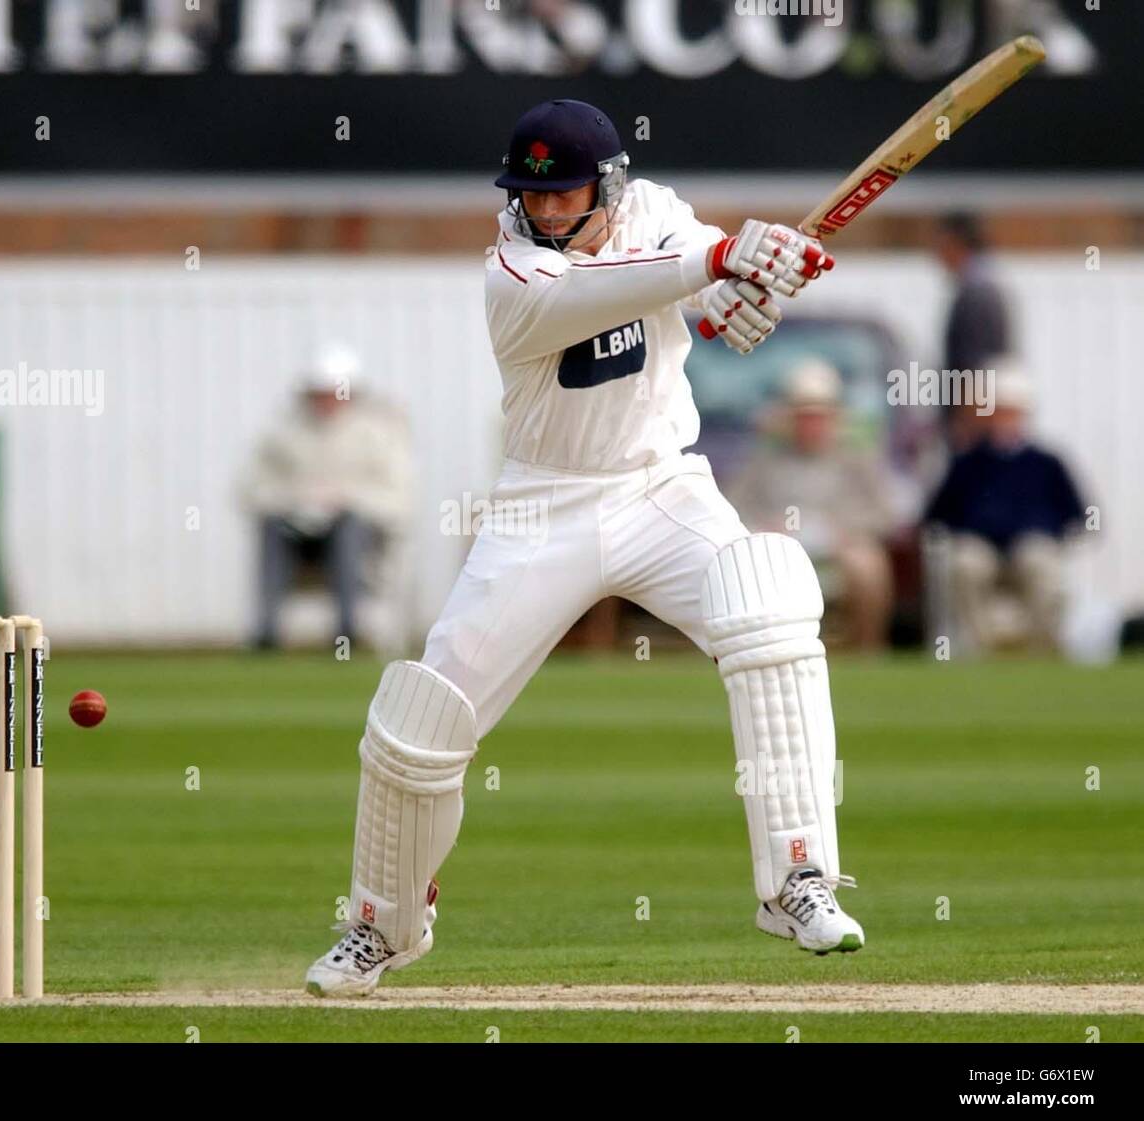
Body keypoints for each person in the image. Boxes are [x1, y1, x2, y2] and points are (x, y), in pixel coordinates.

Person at [306, 99, 861, 998]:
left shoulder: (660, 214)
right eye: (534, 197)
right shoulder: (511, 272)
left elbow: (699, 295)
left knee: (768, 593)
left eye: (565, 196)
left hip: (661, 487)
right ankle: (382, 924)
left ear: (609, 183)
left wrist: (744, 294)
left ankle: (798, 876)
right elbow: (614, 288)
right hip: (542, 509)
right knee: (418, 724)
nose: (548, 214)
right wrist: (719, 262)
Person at [237, 345, 412, 650]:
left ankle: (346, 632)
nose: (327, 401)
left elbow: (399, 497)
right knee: (271, 527)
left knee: (349, 529)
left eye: (335, 393)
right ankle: (267, 633)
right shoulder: (285, 433)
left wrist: (348, 500)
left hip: (360, 537)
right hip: (298, 535)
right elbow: (251, 488)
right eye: (320, 393)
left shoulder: (378, 435)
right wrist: (295, 500)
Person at [730, 360, 897, 650]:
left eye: (819, 417)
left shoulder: (858, 462)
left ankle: (867, 648)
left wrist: (844, 529)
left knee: (868, 565)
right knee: (745, 567)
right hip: (778, 550)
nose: (811, 425)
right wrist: (765, 527)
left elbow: (884, 514)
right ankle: (763, 649)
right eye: (804, 416)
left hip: (838, 549)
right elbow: (732, 508)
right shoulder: (764, 462)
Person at [925, 364, 1085, 653]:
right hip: (982, 550)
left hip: (1030, 548)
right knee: (965, 563)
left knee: (1041, 562)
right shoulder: (967, 463)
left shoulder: (1047, 463)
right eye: (999, 411)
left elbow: (1077, 515)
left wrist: (1049, 533)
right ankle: (981, 651)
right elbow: (937, 517)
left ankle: (1041, 651)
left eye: (1012, 412)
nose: (1005, 419)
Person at [933, 213, 1011, 453]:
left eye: (941, 246)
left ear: (955, 244)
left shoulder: (977, 292)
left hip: (975, 417)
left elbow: (976, 363)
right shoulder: (982, 286)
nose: (938, 256)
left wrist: (966, 417)